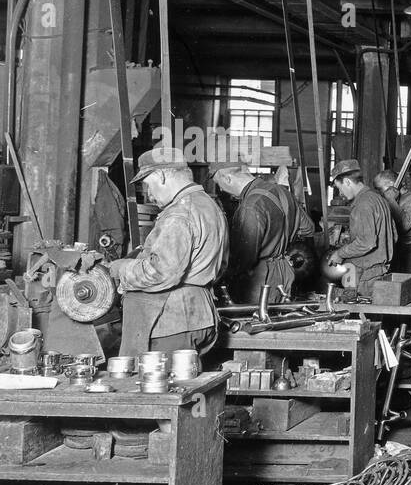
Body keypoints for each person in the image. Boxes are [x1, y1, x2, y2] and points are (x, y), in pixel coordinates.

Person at [109, 147, 229, 355]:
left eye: (148, 185)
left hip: (170, 320)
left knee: (156, 385)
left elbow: (159, 273)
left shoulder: (179, 214)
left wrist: (121, 269)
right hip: (198, 313)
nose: (148, 194)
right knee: (182, 382)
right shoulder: (210, 205)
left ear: (162, 175)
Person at [213, 165, 314, 305]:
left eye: (219, 185)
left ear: (228, 178)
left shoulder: (251, 205)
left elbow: (245, 259)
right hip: (284, 273)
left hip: (259, 280)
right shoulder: (282, 192)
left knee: (253, 323)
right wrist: (281, 235)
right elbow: (308, 228)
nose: (222, 190)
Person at [326, 159, 394, 296]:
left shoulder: (363, 204)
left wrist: (340, 253)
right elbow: (394, 235)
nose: (341, 194)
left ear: (347, 182)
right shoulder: (378, 199)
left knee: (358, 314)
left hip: (364, 276)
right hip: (379, 271)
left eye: (340, 188)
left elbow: (366, 242)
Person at [374, 169, 411, 275]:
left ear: (392, 184)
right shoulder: (397, 199)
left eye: (379, 188)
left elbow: (404, 225)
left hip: (406, 251)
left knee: (406, 283)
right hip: (395, 248)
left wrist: (391, 200)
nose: (379, 192)